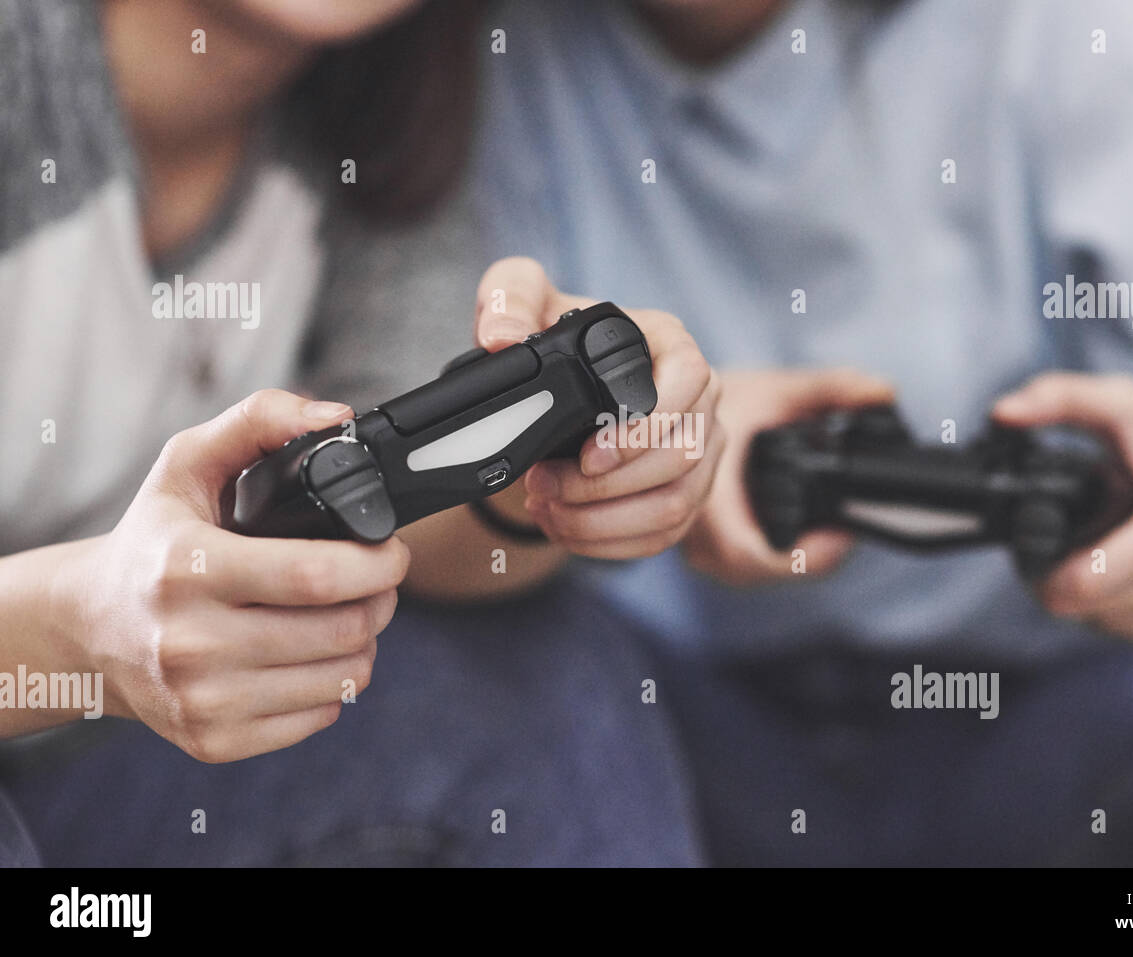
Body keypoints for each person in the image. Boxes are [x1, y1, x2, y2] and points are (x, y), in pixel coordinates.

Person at [466, 0, 1133, 864]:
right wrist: (595, 474)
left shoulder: (1076, 24)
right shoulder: (463, 56)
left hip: (1065, 702)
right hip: (678, 720)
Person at [0, 0, 722, 865]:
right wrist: (73, 631)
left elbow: (422, 528)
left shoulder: (375, 112)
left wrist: (551, 468)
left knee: (548, 674)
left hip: (115, 772)